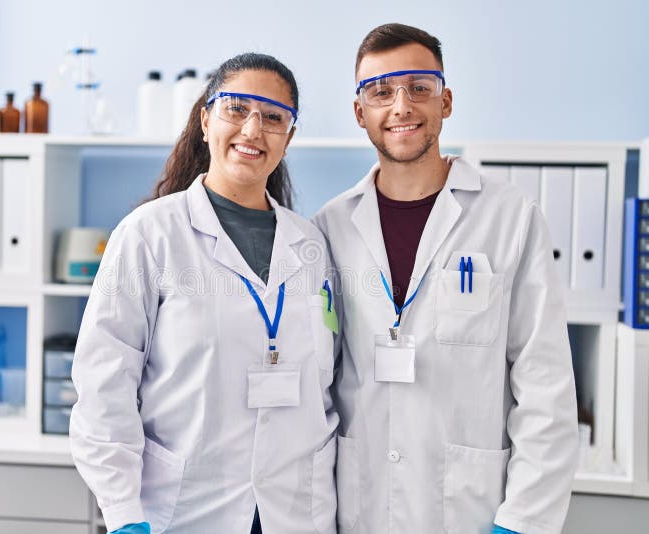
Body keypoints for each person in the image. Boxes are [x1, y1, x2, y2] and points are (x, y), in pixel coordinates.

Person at [313, 23, 578, 534]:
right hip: (359, 507)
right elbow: (320, 379)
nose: (401, 105)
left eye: (419, 87)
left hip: (469, 510)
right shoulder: (329, 226)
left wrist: (523, 521)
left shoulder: (511, 217)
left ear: (446, 101)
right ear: (359, 112)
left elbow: (545, 386)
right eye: (380, 91)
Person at [70, 52, 339, 534]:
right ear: (205, 119)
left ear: (289, 136)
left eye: (273, 117)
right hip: (185, 512)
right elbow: (103, 384)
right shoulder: (149, 234)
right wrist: (122, 511)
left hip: (296, 511)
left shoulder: (312, 244)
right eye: (237, 108)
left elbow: (327, 387)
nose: (253, 130)